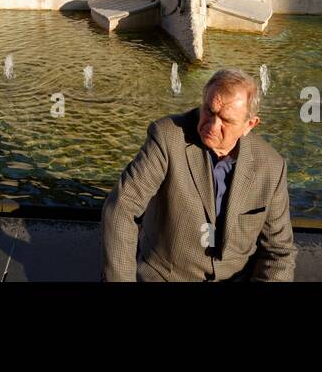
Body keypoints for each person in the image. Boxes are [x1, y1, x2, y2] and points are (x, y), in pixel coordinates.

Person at [101, 67, 296, 282]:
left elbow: (279, 252)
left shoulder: (271, 166)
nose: (212, 125)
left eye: (226, 120)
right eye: (209, 111)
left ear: (250, 125)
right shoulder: (167, 137)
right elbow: (122, 208)